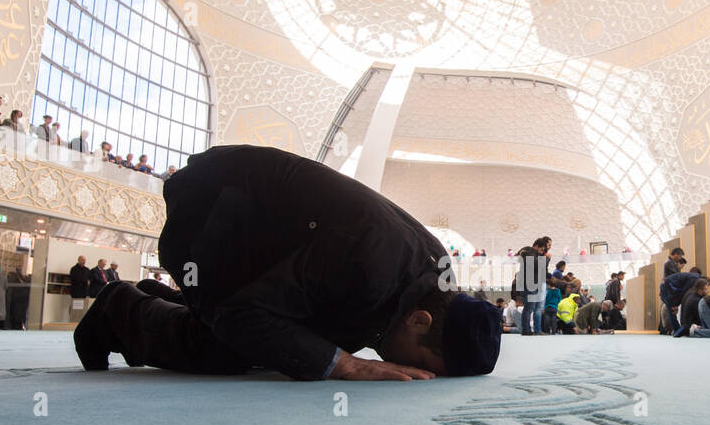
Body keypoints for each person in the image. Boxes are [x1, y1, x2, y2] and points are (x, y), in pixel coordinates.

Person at [74, 145, 502, 380]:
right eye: (422, 364)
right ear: (421, 321)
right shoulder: (368, 266)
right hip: (215, 209)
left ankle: (158, 300)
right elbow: (244, 315)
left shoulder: (432, 270)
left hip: (274, 231)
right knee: (232, 351)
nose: (410, 372)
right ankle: (119, 309)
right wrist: (342, 364)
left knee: (301, 343)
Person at [513, 237, 551, 335]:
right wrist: (546, 259)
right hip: (528, 284)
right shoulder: (529, 253)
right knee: (529, 308)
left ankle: (529, 330)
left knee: (530, 308)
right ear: (537, 246)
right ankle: (526, 330)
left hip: (532, 284)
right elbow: (538, 265)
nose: (542, 251)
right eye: (541, 249)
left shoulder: (532, 253)